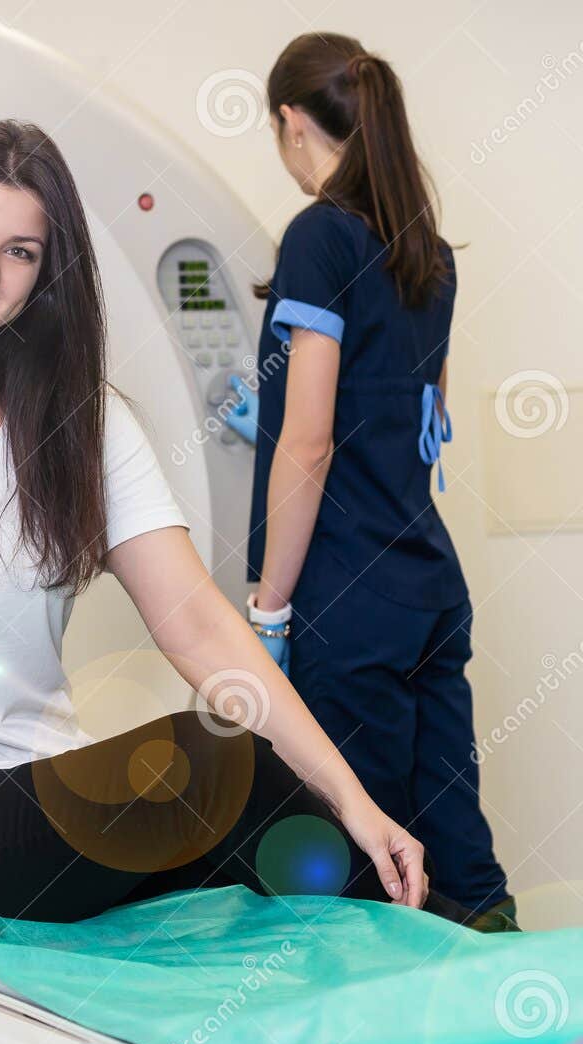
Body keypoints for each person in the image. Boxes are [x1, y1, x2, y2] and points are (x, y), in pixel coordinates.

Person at [0, 117, 511, 1044]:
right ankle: (428, 981)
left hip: (35, 796)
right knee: (206, 758)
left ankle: (419, 988)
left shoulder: (82, 427)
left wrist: (353, 798)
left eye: (21, 250)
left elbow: (197, 624)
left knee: (259, 783)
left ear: (43, 274)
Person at [222, 33, 514, 925]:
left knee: (362, 853)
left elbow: (307, 446)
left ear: (290, 122)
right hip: (427, 583)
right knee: (452, 836)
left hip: (345, 601)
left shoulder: (321, 235)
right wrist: (264, 415)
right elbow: (423, 421)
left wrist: (269, 609)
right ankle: (518, 1020)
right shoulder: (430, 252)